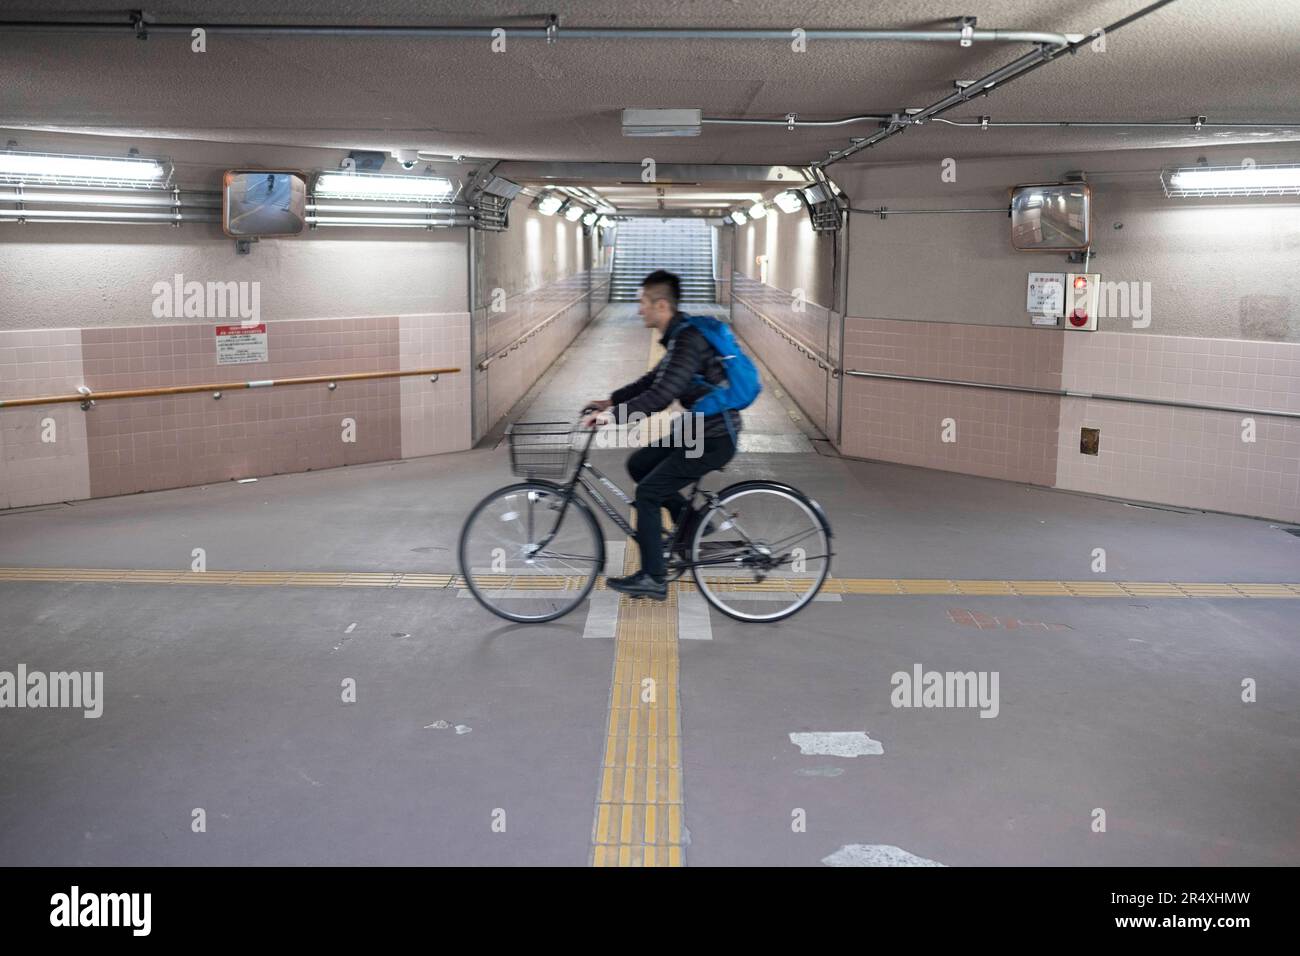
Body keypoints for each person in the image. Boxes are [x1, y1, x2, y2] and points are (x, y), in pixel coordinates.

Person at [582, 270, 740, 600]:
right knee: (640, 464)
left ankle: (653, 578)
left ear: (662, 305)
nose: (639, 309)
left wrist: (611, 419)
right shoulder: (680, 335)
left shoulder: (687, 342)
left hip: (712, 438)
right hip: (698, 430)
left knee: (649, 494)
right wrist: (609, 401)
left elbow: (660, 397)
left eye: (643, 302)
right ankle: (694, 527)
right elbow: (650, 382)